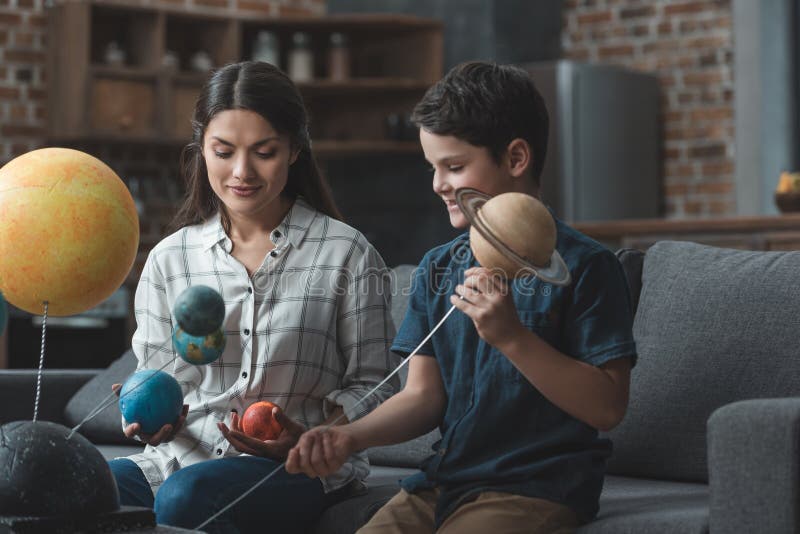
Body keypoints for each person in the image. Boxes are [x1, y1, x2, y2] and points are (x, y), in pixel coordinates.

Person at [286, 61, 637, 534]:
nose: (438, 185)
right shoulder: (437, 268)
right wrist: (346, 437)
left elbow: (608, 408)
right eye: (433, 168)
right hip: (444, 482)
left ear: (516, 158)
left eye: (453, 166)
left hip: (535, 488)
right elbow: (423, 397)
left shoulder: (588, 267)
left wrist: (512, 337)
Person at [107, 60, 400, 533]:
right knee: (75, 483)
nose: (241, 172)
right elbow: (163, 374)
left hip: (298, 468)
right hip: (179, 459)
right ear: (201, 148)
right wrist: (152, 413)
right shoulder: (170, 257)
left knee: (186, 499)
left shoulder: (346, 252)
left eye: (264, 152)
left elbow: (378, 385)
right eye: (223, 151)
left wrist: (314, 438)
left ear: (295, 151)